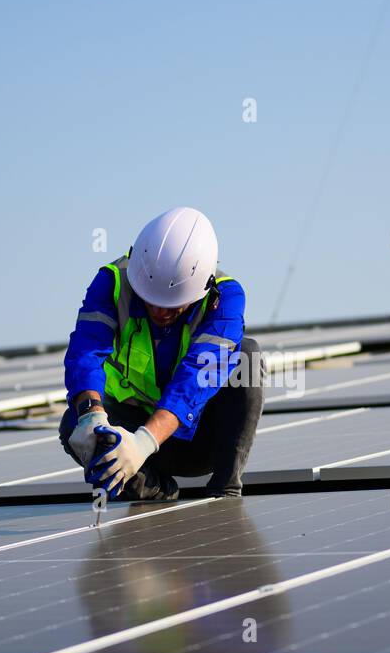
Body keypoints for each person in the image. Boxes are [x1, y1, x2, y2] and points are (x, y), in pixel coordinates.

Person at [59, 207, 262, 500]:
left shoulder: (226, 298)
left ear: (203, 287)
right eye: (151, 299)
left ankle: (225, 489)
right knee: (73, 424)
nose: (159, 311)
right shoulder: (112, 283)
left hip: (196, 439)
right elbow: (86, 349)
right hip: (131, 434)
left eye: (172, 304)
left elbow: (196, 378)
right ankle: (151, 486)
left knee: (248, 356)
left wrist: (145, 441)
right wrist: (91, 414)